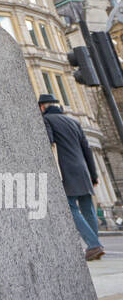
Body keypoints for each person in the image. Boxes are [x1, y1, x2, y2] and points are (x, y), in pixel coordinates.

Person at [38, 94, 105, 261]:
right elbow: (87, 150)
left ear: (43, 107)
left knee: (71, 207)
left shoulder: (47, 120)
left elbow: (48, 141)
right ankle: (94, 246)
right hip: (83, 170)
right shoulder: (74, 122)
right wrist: (94, 175)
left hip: (66, 170)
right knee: (88, 208)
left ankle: (93, 245)